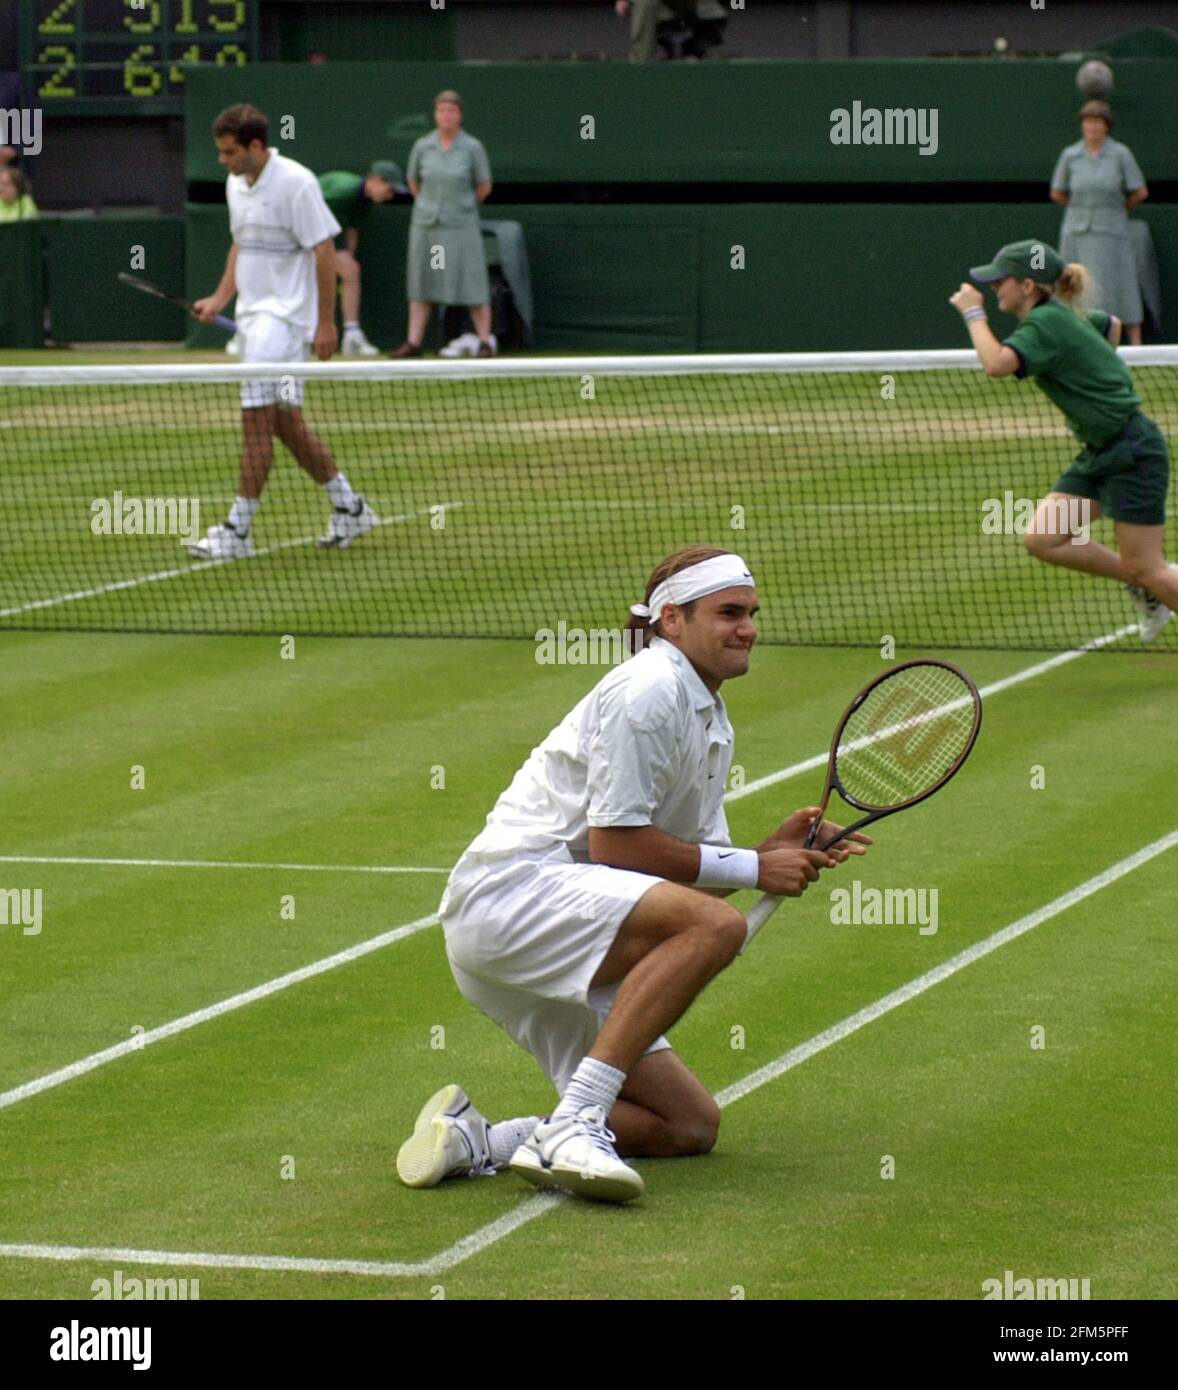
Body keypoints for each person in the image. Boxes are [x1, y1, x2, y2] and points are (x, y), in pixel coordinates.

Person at [396, 546, 868, 1203]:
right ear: (672, 619)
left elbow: (687, 877)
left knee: (687, 1126)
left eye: (753, 613)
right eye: (730, 613)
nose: (749, 627)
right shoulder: (650, 687)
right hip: (510, 901)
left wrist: (769, 852)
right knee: (717, 927)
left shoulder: (707, 715)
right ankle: (578, 1122)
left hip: (563, 927)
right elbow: (617, 846)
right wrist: (759, 868)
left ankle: (481, 1139)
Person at [951, 239, 1177, 643]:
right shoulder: (1061, 316)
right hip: (1100, 451)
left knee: (1147, 566)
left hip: (1132, 451)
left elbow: (997, 365)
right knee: (1043, 539)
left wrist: (972, 313)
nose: (994, 287)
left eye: (1001, 280)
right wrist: (1089, 376)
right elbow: (1110, 325)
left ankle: (1154, 579)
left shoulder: (1047, 323)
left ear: (1027, 286)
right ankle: (1148, 583)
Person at [189, 103, 377, 560]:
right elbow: (242, 244)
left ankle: (238, 529)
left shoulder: (297, 183)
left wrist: (325, 323)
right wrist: (220, 298)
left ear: (256, 146)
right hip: (254, 321)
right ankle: (350, 506)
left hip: (285, 325)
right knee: (285, 425)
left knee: (255, 421)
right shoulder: (236, 184)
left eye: (229, 152)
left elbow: (324, 250)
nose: (223, 160)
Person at [390, 91, 494, 359]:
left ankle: (484, 342)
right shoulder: (422, 146)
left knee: (473, 282)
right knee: (423, 282)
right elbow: (414, 183)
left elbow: (483, 186)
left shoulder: (472, 147)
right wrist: (429, 204)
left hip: (461, 226)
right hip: (427, 227)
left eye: (451, 111)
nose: (445, 116)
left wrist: (462, 206)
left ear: (459, 115)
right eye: (441, 111)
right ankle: (413, 343)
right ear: (435, 115)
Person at [1050, 100, 1150, 346]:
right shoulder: (1070, 155)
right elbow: (1057, 192)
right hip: (1076, 230)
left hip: (1114, 230)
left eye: (1097, 122)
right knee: (1074, 286)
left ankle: (1135, 343)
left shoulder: (1121, 154)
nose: (1092, 127)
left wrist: (1116, 212)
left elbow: (1139, 192)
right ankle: (1075, 340)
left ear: (1107, 127)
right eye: (1088, 122)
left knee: (1123, 284)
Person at [318, 161, 405, 356]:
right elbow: (308, 209)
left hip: (330, 235)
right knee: (347, 273)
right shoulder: (343, 190)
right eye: (389, 189)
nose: (390, 196)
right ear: (374, 180)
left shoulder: (366, 202)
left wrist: (347, 256)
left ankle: (351, 335)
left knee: (351, 273)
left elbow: (351, 229)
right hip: (311, 233)